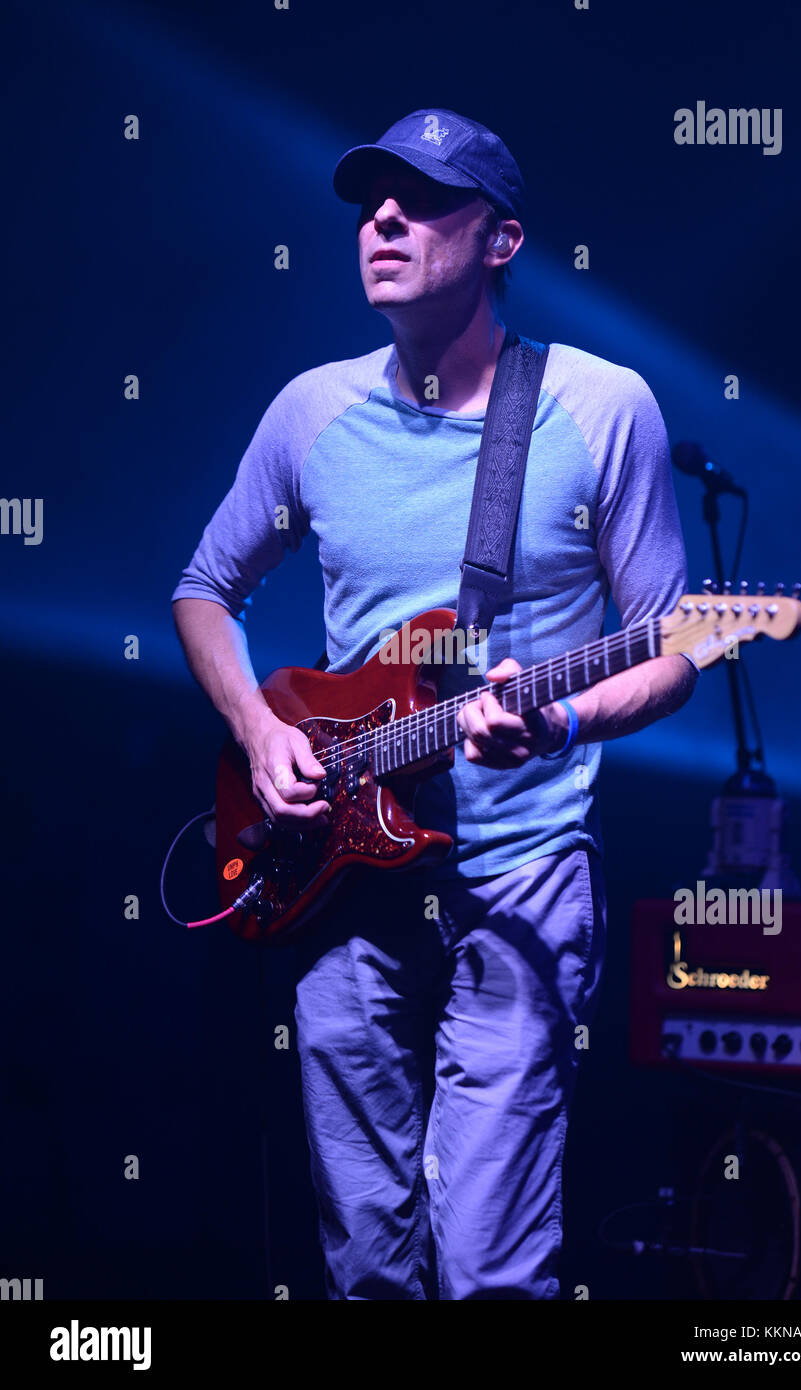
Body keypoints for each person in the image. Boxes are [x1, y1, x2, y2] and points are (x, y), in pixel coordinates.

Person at [171, 107, 697, 1300]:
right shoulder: (309, 411)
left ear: (501, 239)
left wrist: (557, 720)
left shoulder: (601, 406)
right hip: (340, 866)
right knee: (363, 1257)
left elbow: (670, 649)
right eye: (370, 200)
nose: (383, 219)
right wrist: (261, 733)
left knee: (488, 1265)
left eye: (420, 199)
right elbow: (204, 591)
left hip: (520, 870)